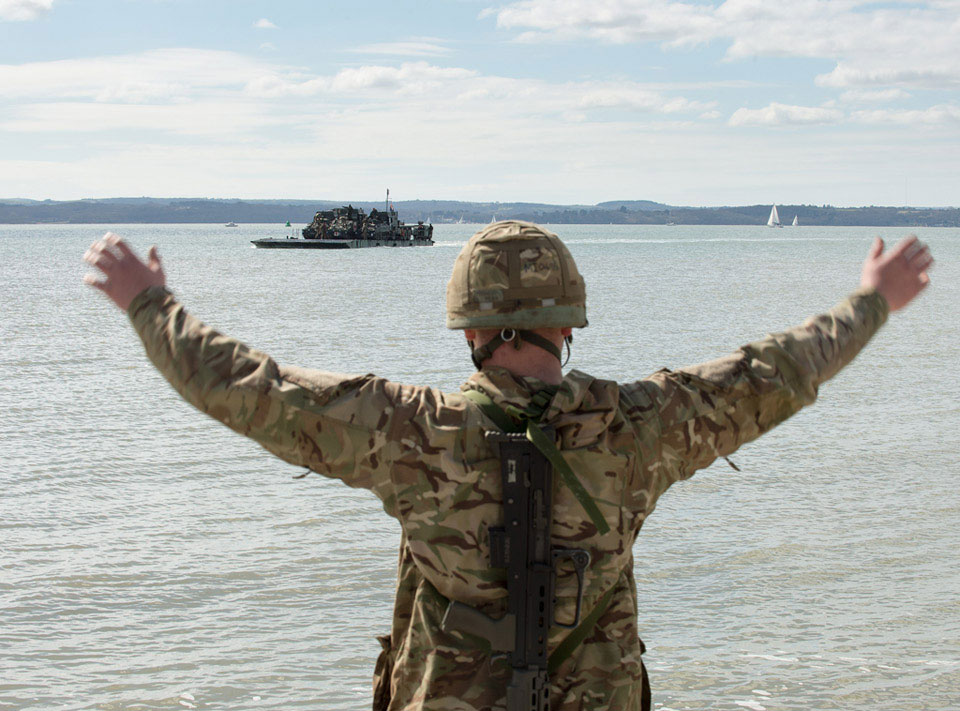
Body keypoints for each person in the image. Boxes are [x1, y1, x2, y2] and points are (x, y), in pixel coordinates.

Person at [83, 221, 932, 711]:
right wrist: (872, 301)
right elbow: (774, 373)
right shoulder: (644, 428)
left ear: (466, 331)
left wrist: (149, 305)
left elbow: (247, 389)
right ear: (570, 326)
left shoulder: (407, 432)